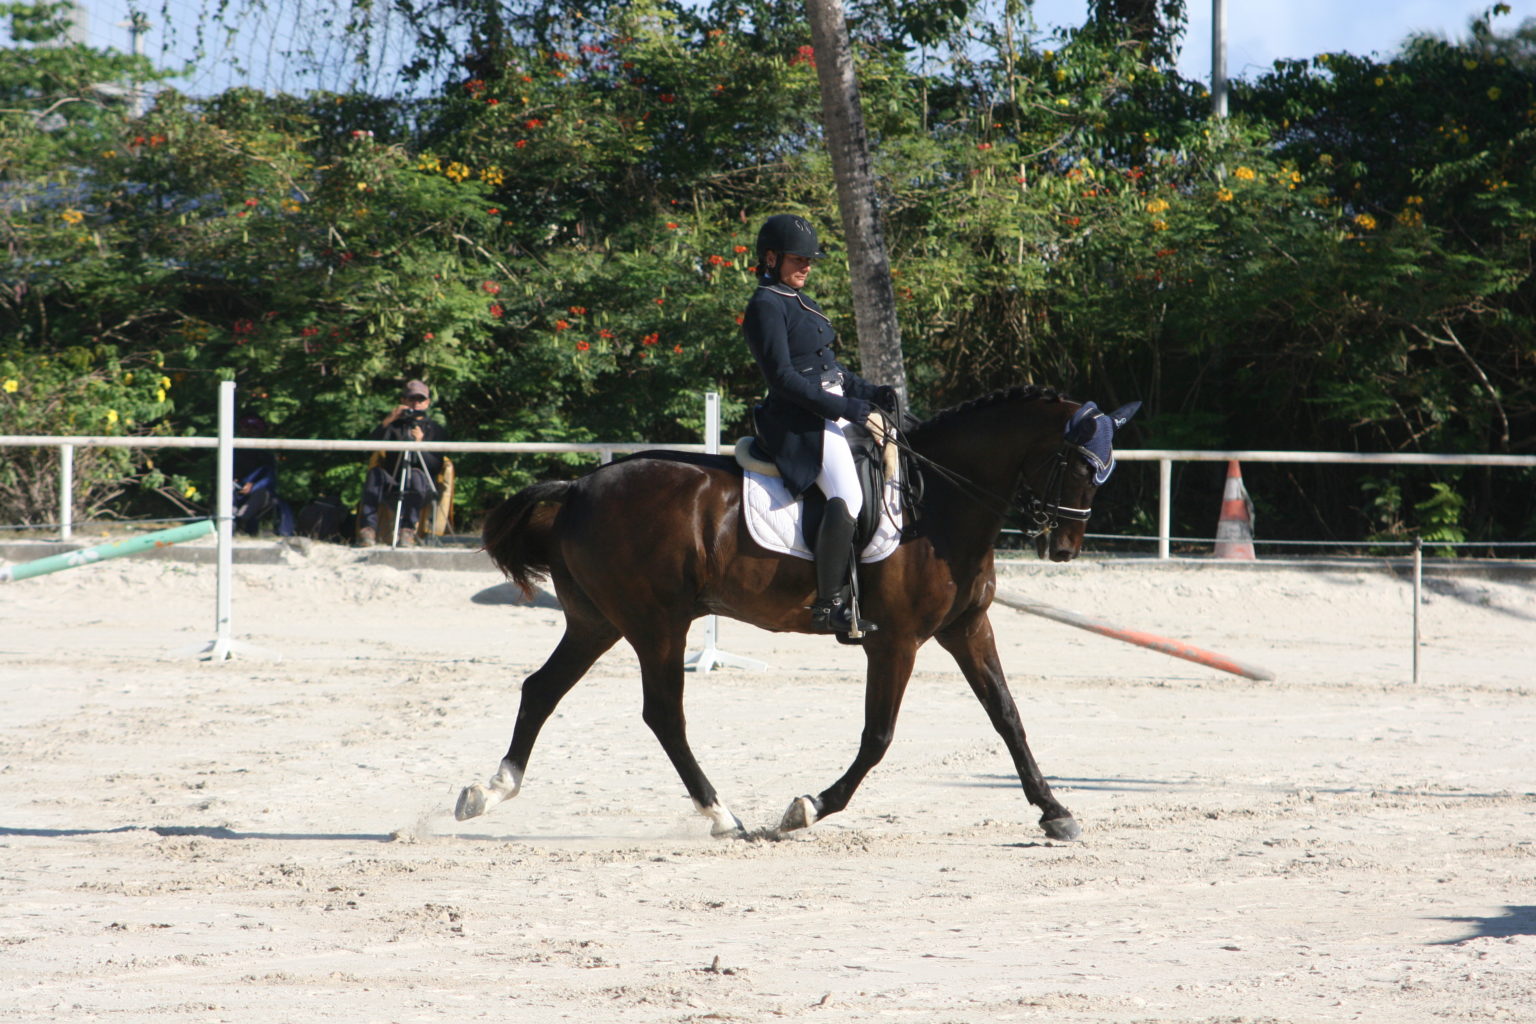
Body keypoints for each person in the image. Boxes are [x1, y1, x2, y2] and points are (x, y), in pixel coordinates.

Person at [742, 213, 894, 634]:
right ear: (770, 258)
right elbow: (783, 378)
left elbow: (830, 369)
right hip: (797, 420)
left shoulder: (799, 300)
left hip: (826, 408)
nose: (806, 266)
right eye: (798, 259)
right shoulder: (766, 305)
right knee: (848, 494)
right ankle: (830, 605)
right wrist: (845, 408)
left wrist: (872, 392)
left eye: (809, 260)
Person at [355, 378, 448, 547]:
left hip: (422, 487)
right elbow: (368, 448)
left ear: (427, 402)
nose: (416, 403)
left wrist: (420, 445)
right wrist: (388, 420)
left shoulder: (435, 429)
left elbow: (435, 466)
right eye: (412, 399)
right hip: (393, 483)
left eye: (420, 399)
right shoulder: (393, 426)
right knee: (375, 473)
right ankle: (368, 529)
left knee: (416, 474)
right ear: (403, 401)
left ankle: (408, 531)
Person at [233, 414, 295, 537]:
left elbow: (269, 478)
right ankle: (231, 524)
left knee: (263, 494)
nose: (250, 431)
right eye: (246, 427)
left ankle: (242, 520)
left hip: (258, 493)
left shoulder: (265, 454)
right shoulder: (231, 451)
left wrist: (253, 485)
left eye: (254, 428)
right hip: (235, 491)